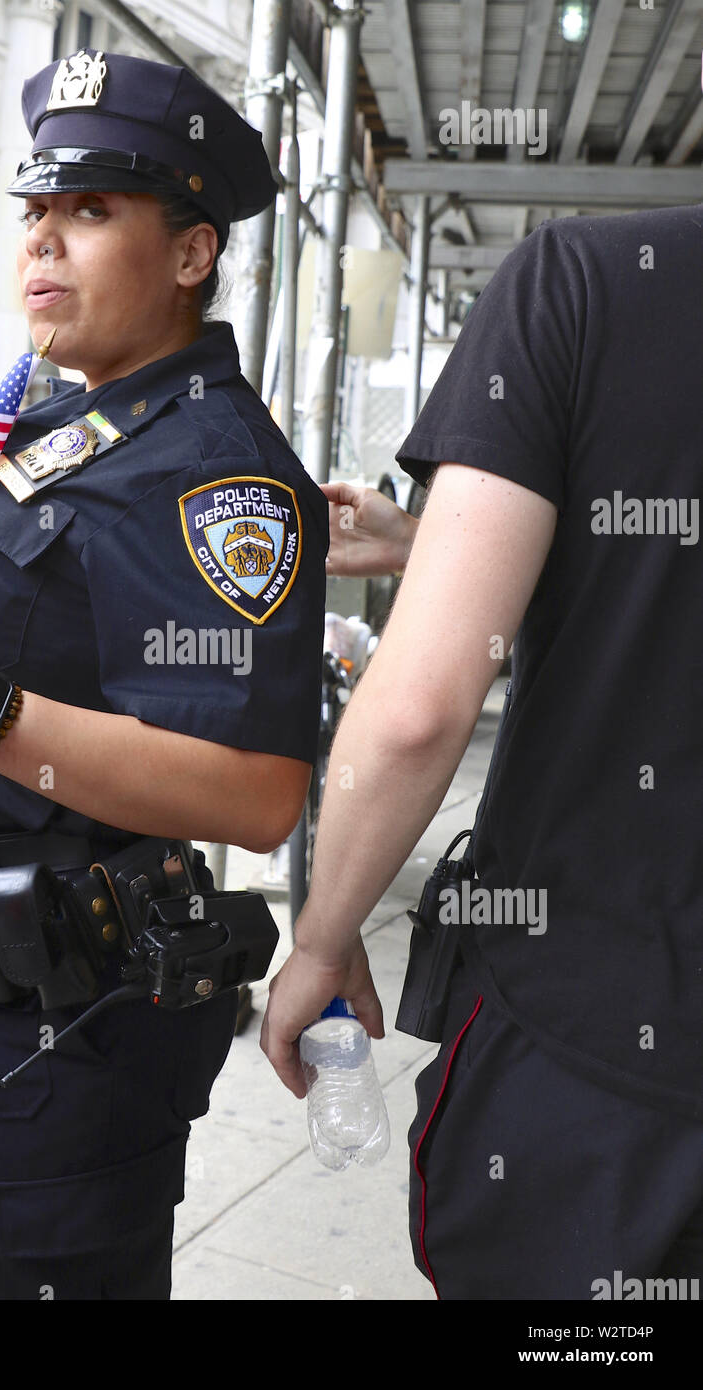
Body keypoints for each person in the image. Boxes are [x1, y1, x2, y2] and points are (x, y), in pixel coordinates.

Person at [0, 47, 328, 1301]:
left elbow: (257, 791)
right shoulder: (46, 423)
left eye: (92, 213)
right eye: (36, 213)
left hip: (57, 1053)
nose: (43, 244)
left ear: (189, 253)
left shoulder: (215, 474)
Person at [261, 194, 703, 1299]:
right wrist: (431, 538)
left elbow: (419, 705)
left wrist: (320, 939)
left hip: (603, 1062)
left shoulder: (585, 280)